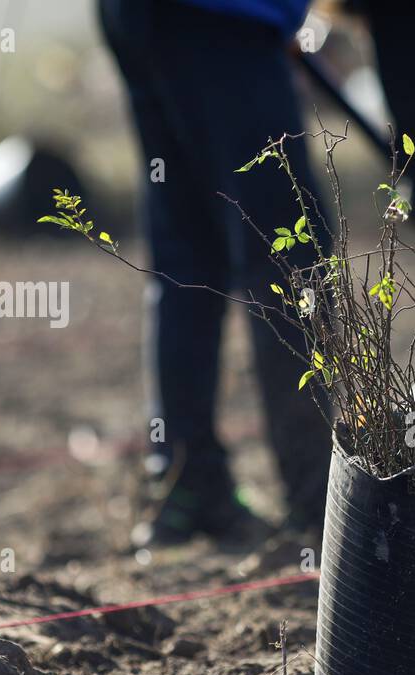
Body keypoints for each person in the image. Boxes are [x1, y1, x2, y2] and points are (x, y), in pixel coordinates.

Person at [100, 0, 330, 547]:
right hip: (230, 16)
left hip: (142, 20)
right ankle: (323, 500)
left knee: (187, 255)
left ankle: (186, 486)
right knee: (292, 252)